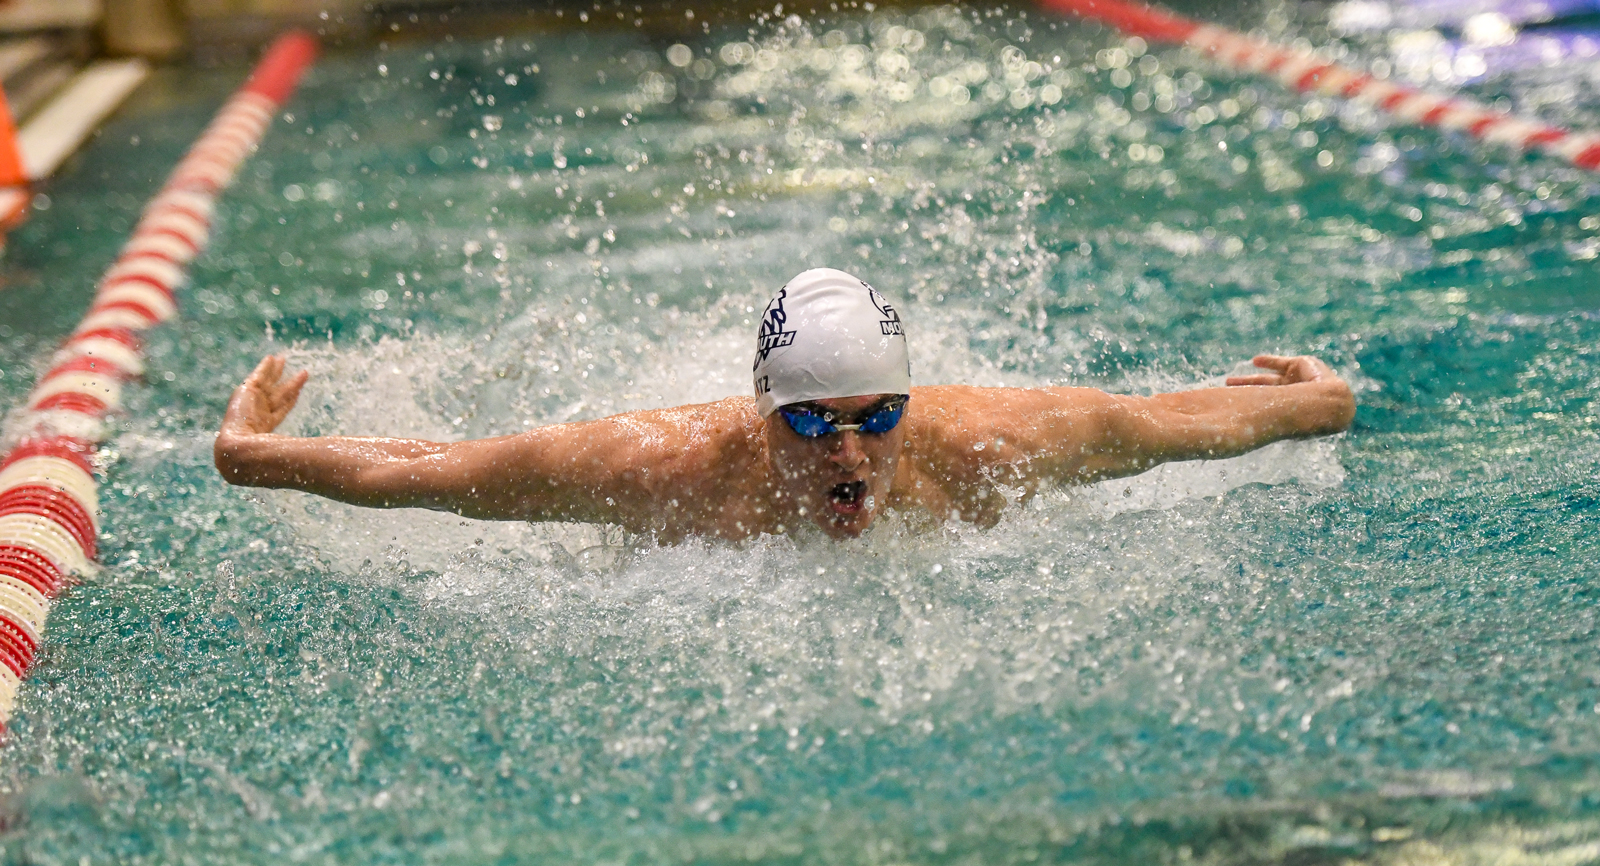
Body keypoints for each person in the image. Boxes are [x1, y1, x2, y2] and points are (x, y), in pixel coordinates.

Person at [215, 268, 1355, 542]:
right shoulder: (654, 465)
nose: (849, 447)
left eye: (877, 416)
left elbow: (1182, 422)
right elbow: (428, 468)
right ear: (761, 416)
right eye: (813, 422)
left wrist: (1325, 398)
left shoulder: (1001, 441)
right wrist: (248, 454)